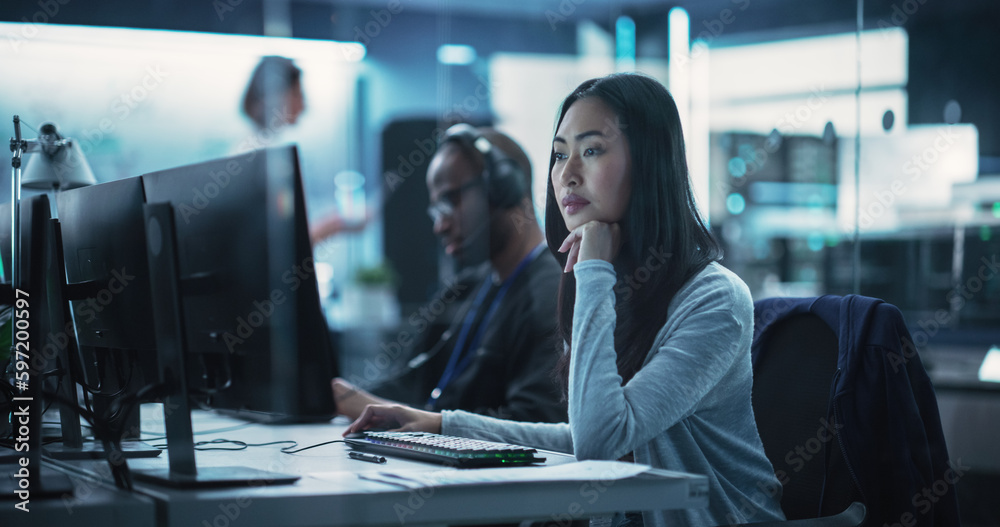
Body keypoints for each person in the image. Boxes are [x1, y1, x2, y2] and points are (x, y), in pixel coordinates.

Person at [343, 73, 786, 526]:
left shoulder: (715, 299)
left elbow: (600, 441)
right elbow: (581, 434)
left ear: (649, 163)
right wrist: (442, 426)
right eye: (559, 154)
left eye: (592, 150)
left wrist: (593, 270)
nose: (567, 174)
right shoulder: (608, 288)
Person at [332, 126, 566, 424]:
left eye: (449, 202)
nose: (439, 226)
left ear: (503, 188)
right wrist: (343, 398)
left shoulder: (550, 295)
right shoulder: (470, 286)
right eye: (436, 211)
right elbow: (411, 380)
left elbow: (534, 423)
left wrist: (415, 420)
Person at [238, 55, 367, 244]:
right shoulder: (254, 157)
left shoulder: (268, 152)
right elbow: (281, 243)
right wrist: (334, 225)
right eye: (298, 94)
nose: (304, 105)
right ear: (274, 95)